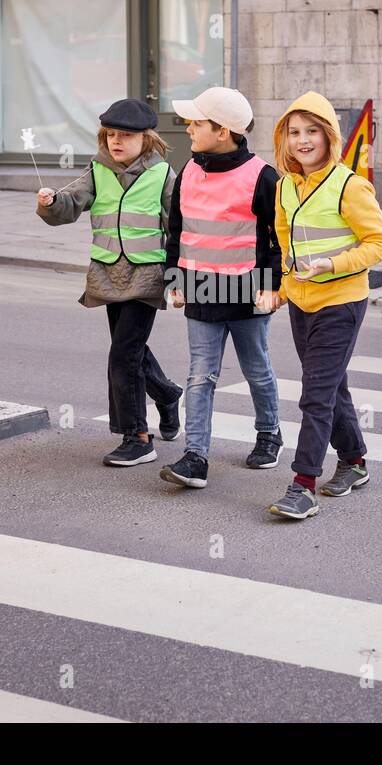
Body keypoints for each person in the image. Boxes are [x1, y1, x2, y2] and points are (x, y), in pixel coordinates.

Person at [267, 92, 382, 520]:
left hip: (341, 303)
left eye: (312, 132)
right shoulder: (285, 184)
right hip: (301, 303)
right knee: (331, 384)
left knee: (315, 395)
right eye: (294, 132)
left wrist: (331, 264)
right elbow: (285, 244)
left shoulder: (350, 185)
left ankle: (302, 485)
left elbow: (381, 244)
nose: (302, 140)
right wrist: (281, 290)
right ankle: (355, 461)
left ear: (329, 137)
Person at [36, 98, 183, 467]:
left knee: (123, 353)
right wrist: (51, 202)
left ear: (146, 139)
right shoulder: (97, 169)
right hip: (107, 273)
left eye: (126, 136)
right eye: (111, 134)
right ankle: (166, 394)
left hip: (147, 275)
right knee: (129, 349)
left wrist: (179, 278)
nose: (116, 141)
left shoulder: (163, 175)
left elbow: (178, 229)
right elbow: (69, 205)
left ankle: (137, 436)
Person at [159, 87, 283, 490]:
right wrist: (175, 279)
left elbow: (278, 237)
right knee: (200, 376)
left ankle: (270, 434)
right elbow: (177, 230)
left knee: (257, 370)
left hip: (248, 292)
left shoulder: (262, 176)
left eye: (197, 123)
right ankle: (196, 457)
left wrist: (271, 287)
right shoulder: (189, 172)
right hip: (200, 291)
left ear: (224, 131)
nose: (189, 128)